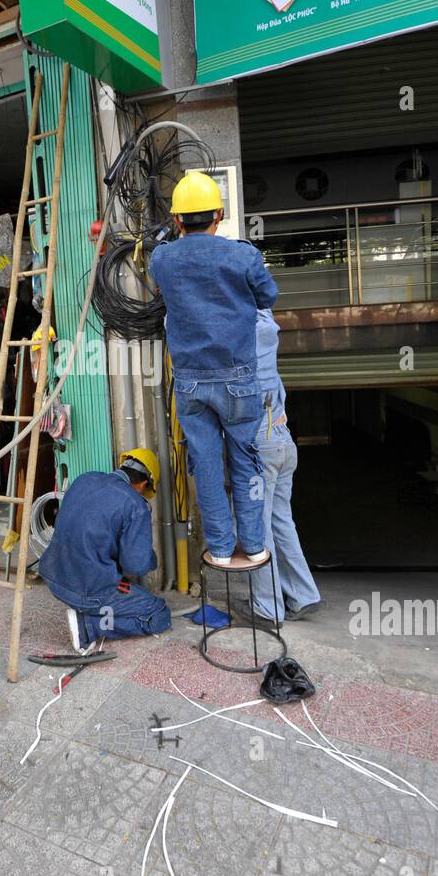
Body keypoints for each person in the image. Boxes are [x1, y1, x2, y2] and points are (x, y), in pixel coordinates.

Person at [150, 171, 278, 568]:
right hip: (239, 378)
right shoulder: (243, 256)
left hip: (190, 383)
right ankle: (254, 545)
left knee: (205, 464)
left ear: (176, 220)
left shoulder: (162, 258)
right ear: (219, 214)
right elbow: (267, 295)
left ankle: (220, 549)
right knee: (246, 460)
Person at [39, 449, 172, 652]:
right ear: (144, 484)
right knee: (158, 614)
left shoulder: (85, 479)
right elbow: (136, 565)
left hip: (53, 573)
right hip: (87, 590)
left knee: (125, 587)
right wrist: (149, 558)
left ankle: (89, 611)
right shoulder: (135, 504)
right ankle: (88, 626)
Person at [250, 309, 321, 623]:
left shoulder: (245, 335)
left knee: (257, 526)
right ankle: (304, 595)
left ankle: (269, 608)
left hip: (262, 447)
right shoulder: (267, 327)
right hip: (283, 443)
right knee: (281, 522)